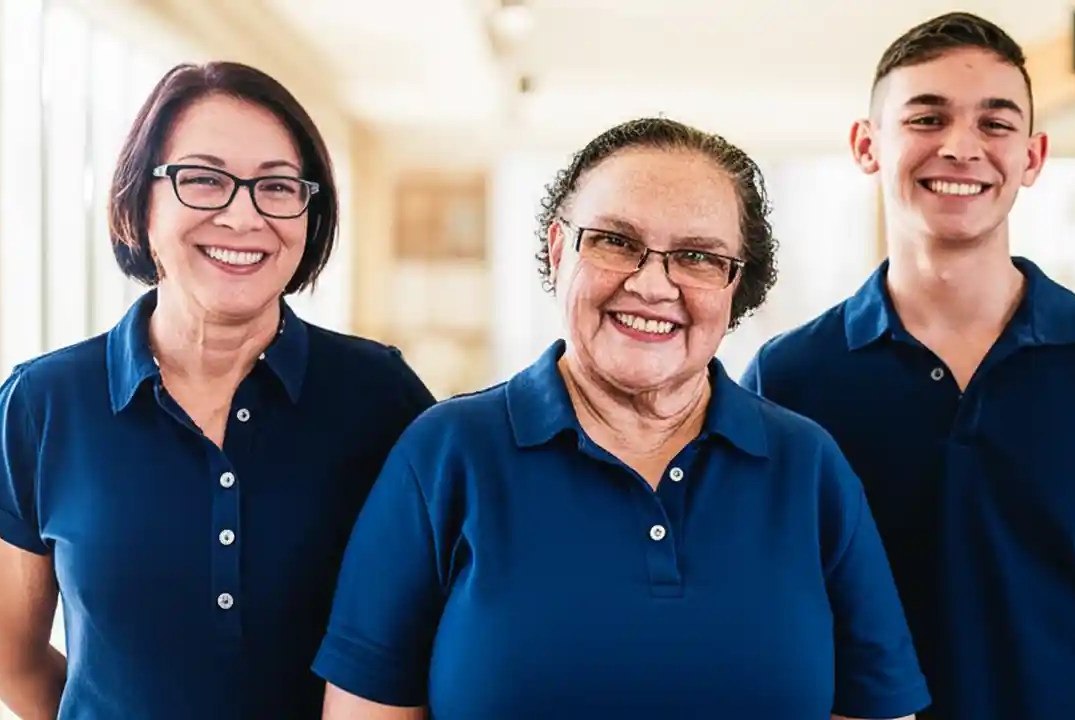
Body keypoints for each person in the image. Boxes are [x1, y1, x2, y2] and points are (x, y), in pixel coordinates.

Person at [312, 118, 930, 720]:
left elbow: (875, 710)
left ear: (735, 288)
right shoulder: (447, 453)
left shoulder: (808, 466)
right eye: (615, 241)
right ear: (559, 250)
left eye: (698, 257)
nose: (653, 284)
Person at [743, 12, 1075, 720]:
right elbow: (770, 607)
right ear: (867, 146)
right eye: (927, 119)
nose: (961, 147)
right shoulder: (789, 378)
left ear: (1033, 155)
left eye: (995, 124)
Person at [0, 61, 434, 719]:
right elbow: (0, 653)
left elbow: (432, 637)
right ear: (140, 201)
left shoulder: (383, 397)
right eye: (204, 180)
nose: (244, 217)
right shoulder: (42, 405)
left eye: (276, 186)